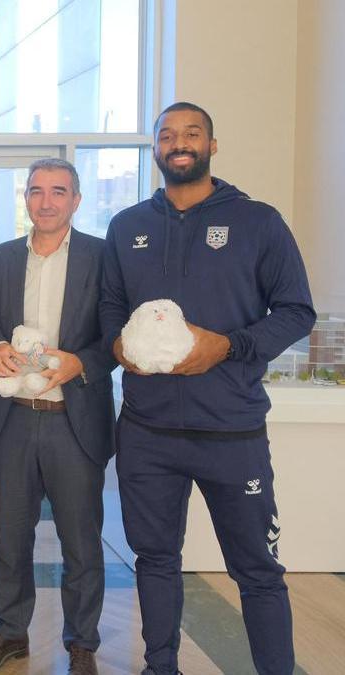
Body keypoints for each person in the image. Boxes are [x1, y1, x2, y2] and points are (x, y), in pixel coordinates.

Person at [100, 102, 315, 675]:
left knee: (258, 570)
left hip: (231, 430)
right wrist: (119, 347)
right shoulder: (127, 227)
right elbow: (110, 310)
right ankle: (160, 666)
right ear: (155, 150)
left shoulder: (258, 221)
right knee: (155, 559)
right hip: (147, 431)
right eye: (167, 136)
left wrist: (229, 346)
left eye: (191, 133)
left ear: (212, 145)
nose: (179, 143)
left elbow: (296, 311)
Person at [0, 158, 117, 675]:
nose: (46, 201)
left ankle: (82, 643)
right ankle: (9, 633)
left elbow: (115, 335)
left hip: (74, 420)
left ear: (76, 200)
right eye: (36, 191)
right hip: (13, 417)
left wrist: (83, 363)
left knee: (81, 540)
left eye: (59, 191)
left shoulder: (102, 256)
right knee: (10, 537)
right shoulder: (4, 257)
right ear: (25, 199)